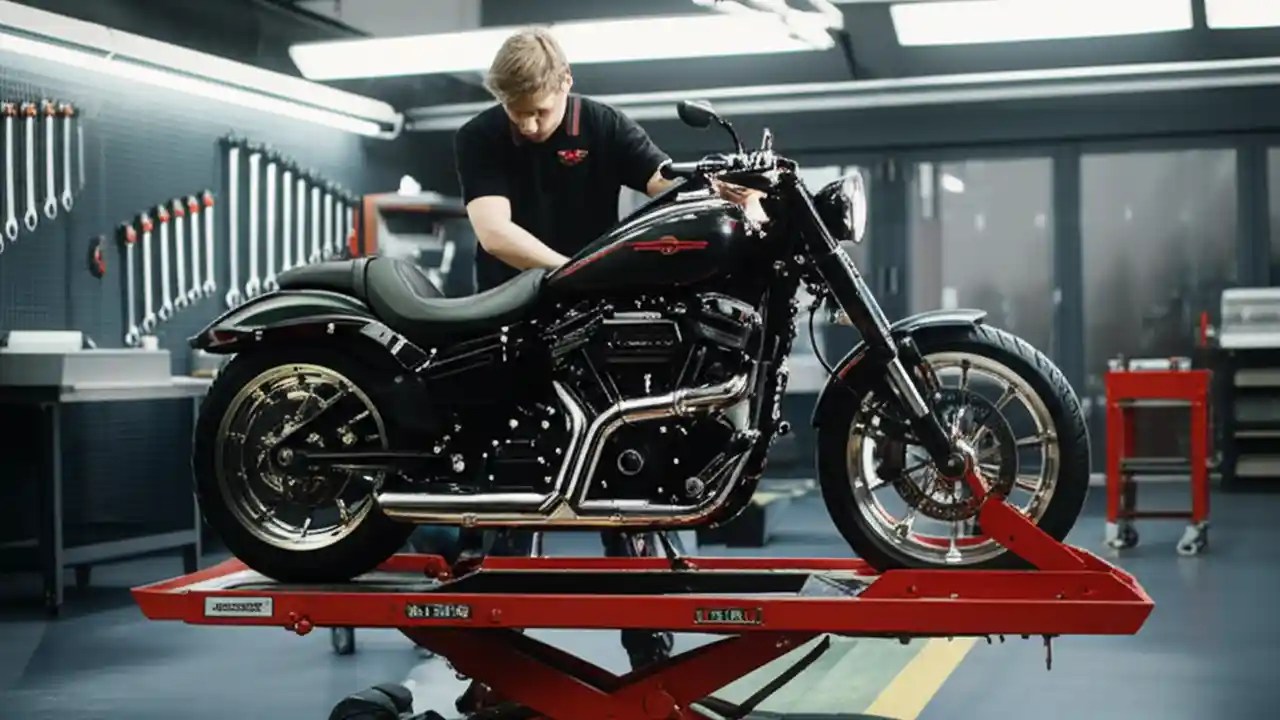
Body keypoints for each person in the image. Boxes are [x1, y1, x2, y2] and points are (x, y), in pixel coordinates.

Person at [447, 26, 761, 712]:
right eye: (515, 112)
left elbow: (662, 183)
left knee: (626, 473)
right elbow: (493, 232)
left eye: (539, 111)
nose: (528, 126)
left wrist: (726, 193)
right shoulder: (480, 135)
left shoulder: (607, 127)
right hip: (509, 312)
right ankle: (496, 667)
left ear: (565, 84)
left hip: (595, 319)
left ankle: (651, 658)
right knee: (516, 483)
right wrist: (569, 272)